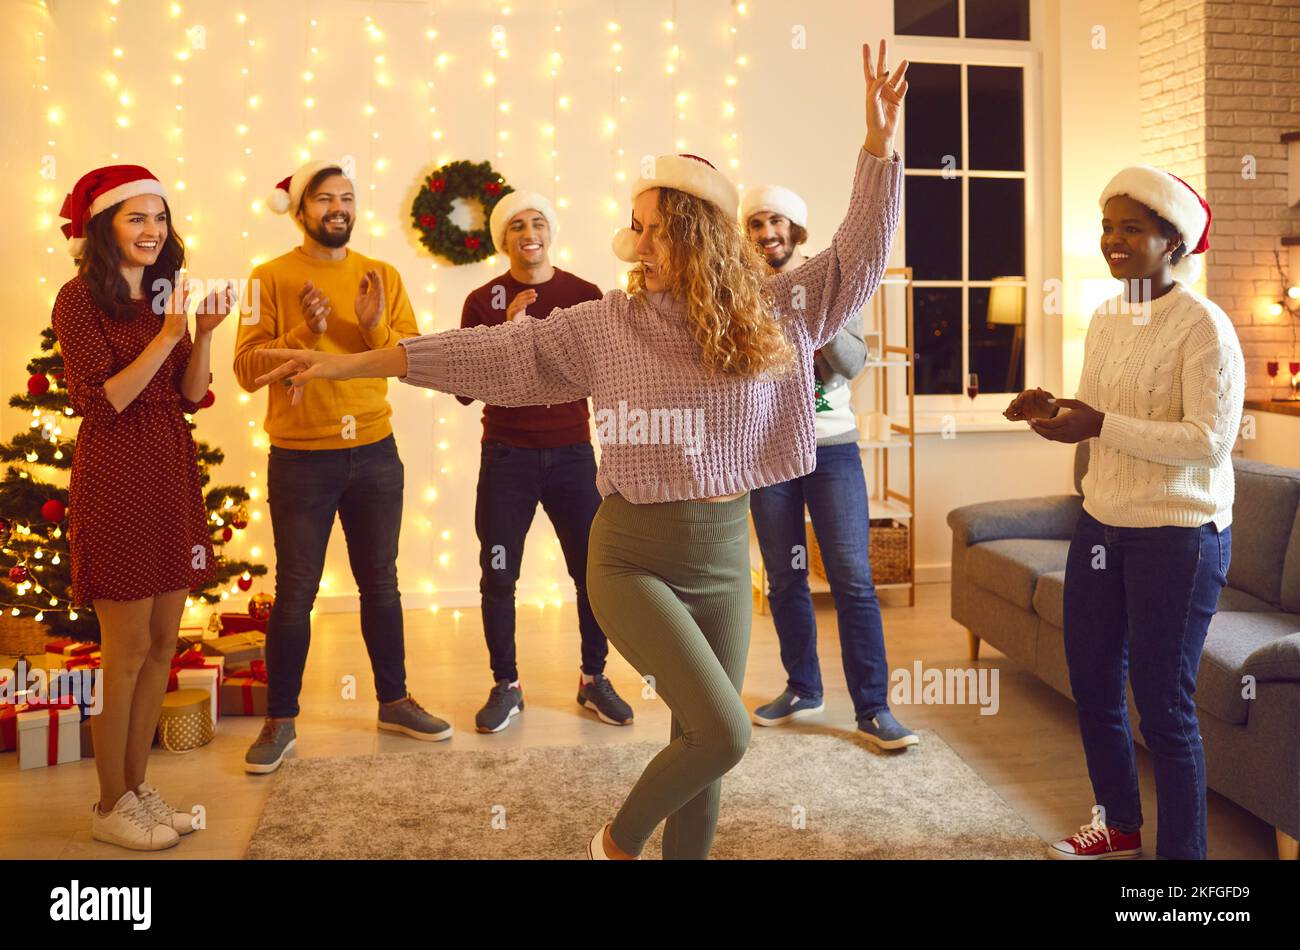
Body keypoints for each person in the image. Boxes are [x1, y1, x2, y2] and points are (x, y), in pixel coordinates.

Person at [255, 40, 908, 860]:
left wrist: (879, 146)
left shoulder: (776, 309)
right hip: (631, 556)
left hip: (718, 555)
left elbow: (859, 252)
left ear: (691, 234)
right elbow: (487, 355)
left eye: (645, 229)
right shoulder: (609, 325)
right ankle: (615, 844)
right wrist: (353, 360)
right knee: (729, 732)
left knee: (702, 748)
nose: (630, 244)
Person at [1006, 166, 1244, 860]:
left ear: (1173, 241)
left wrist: (1099, 422)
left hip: (1179, 535)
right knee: (1093, 685)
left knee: (1165, 711)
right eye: (1107, 226)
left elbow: (1209, 442)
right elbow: (1095, 417)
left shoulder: (1204, 328)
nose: (1112, 240)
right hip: (1103, 522)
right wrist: (1053, 415)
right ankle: (1118, 828)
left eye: (1130, 228)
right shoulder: (1107, 315)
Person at [232, 161, 453, 775]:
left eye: (347, 198)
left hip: (375, 452)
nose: (338, 208)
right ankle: (281, 720)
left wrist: (372, 322)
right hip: (301, 458)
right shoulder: (268, 278)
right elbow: (247, 371)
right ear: (300, 209)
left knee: (381, 582)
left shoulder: (381, 275)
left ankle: (395, 701)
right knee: (297, 591)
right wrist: (308, 328)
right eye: (325, 198)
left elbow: (407, 359)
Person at [53, 164, 228, 850]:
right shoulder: (77, 299)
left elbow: (189, 394)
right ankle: (107, 806)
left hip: (168, 466)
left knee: (161, 646)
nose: (153, 230)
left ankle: (136, 789)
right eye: (136, 218)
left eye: (159, 218)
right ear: (105, 226)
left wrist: (203, 334)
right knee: (122, 653)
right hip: (116, 470)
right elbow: (106, 398)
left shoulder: (164, 298)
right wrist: (165, 334)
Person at [742, 184, 916, 749]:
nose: (768, 232)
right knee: (784, 576)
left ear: (796, 230)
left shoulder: (831, 282)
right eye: (757, 223)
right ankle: (802, 688)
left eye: (777, 222)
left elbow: (855, 362)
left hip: (831, 447)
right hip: (768, 450)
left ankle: (873, 708)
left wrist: (818, 321)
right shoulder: (740, 290)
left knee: (852, 578)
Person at [458, 191, 633, 733]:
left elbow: (608, 374)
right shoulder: (481, 300)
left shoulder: (585, 295)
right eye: (516, 225)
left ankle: (593, 679)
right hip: (506, 455)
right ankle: (506, 686)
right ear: (503, 239)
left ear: (550, 233)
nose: (527, 232)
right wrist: (506, 340)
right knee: (498, 573)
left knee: (591, 573)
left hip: (573, 455)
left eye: (537, 222)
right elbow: (464, 388)